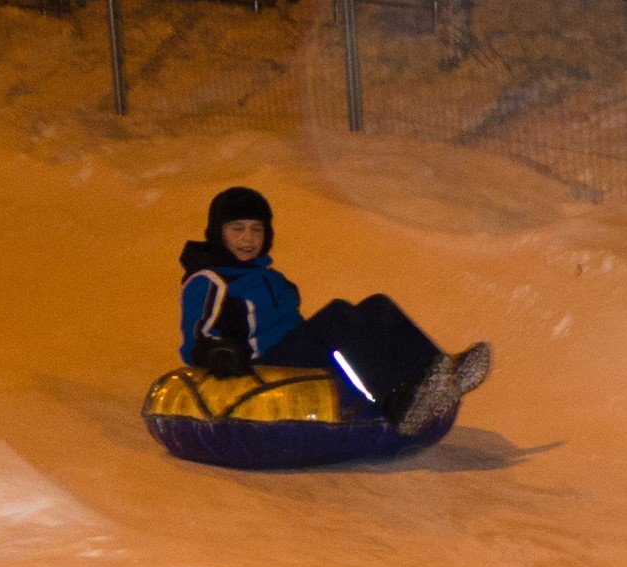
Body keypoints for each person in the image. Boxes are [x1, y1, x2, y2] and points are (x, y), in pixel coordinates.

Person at [179, 186, 491, 436]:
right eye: (237, 229)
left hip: (292, 349)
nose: (248, 239)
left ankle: (437, 372)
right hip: (263, 362)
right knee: (338, 315)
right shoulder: (210, 278)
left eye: (256, 230)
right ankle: (398, 399)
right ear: (218, 232)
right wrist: (217, 353)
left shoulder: (267, 275)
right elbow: (196, 337)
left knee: (377, 305)